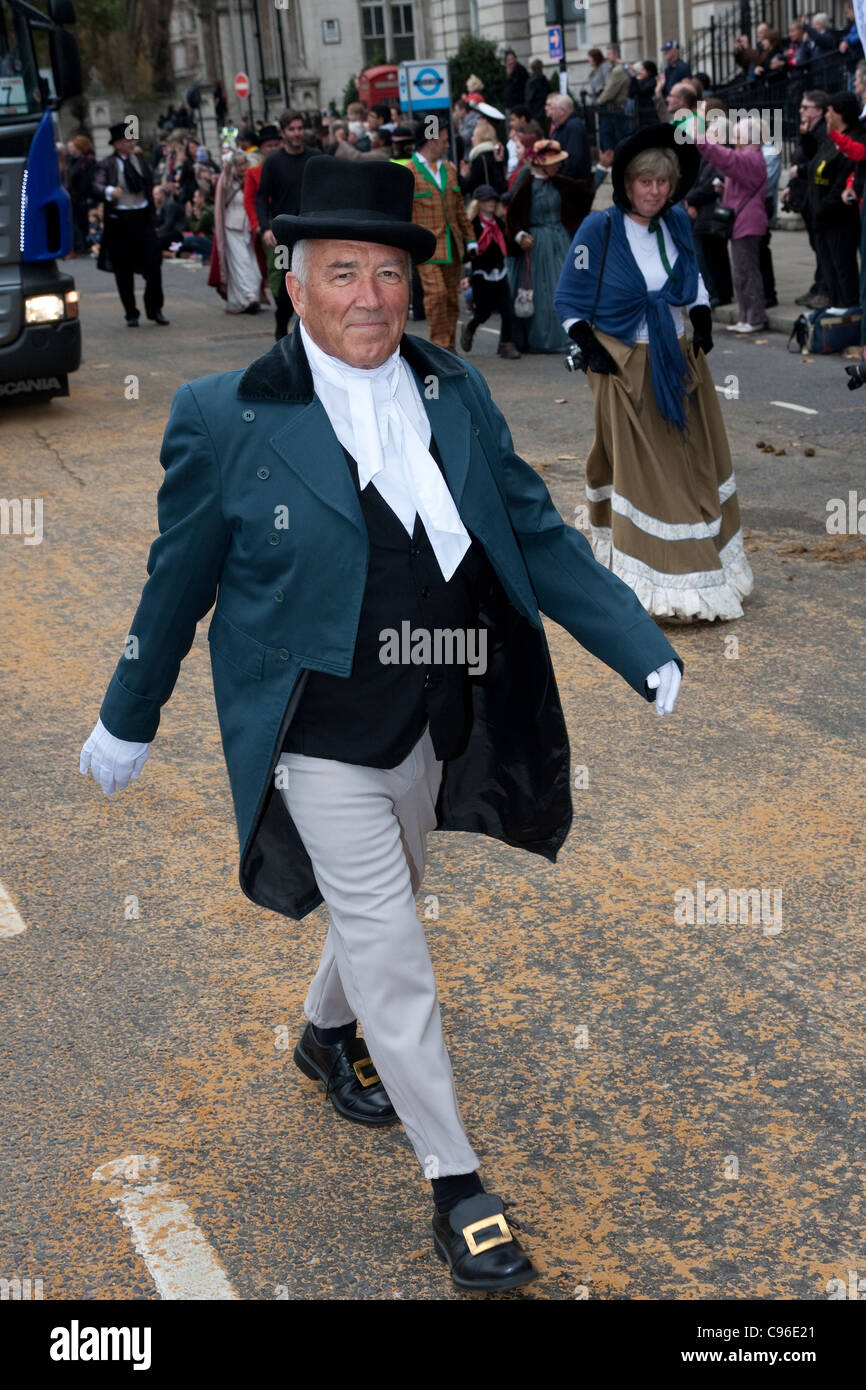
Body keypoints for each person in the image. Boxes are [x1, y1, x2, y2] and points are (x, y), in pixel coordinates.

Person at [79, 154, 683, 1295]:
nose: (369, 297)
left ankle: (318, 1035)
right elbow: (175, 586)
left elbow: (536, 535)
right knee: (395, 948)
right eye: (341, 272)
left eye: (388, 273)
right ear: (292, 285)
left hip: (432, 710)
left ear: (415, 284)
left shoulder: (454, 388)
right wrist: (128, 715)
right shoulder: (224, 415)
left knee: (380, 907)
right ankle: (456, 1183)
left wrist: (637, 643)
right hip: (316, 732)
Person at [554, 124, 754, 622]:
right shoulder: (598, 230)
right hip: (624, 368)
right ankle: (653, 586)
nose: (654, 191)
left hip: (680, 362)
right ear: (626, 183)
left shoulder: (677, 225)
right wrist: (589, 347)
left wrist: (702, 317)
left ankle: (700, 577)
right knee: (649, 477)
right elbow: (569, 298)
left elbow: (695, 281)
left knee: (693, 466)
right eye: (645, 181)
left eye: (663, 182)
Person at [506, 138, 593, 354]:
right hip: (537, 245)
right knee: (543, 291)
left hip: (561, 240)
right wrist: (520, 236)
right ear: (541, 163)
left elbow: (585, 193)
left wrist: (601, 169)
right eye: (555, 161)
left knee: (565, 287)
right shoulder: (525, 185)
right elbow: (513, 217)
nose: (559, 165)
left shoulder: (560, 183)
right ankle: (544, 339)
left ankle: (570, 335)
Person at [696, 114, 768, 334]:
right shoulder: (750, 158)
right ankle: (746, 316)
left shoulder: (751, 159)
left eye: (738, 135)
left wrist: (700, 140)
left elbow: (726, 159)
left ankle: (754, 317)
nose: (734, 139)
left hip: (747, 221)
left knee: (747, 272)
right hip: (744, 220)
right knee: (742, 272)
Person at [409, 117, 477, 350]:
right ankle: (440, 347)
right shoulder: (410, 172)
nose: (448, 144)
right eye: (445, 140)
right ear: (431, 139)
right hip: (427, 249)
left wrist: (470, 239)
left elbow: (459, 208)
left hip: (453, 246)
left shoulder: (449, 169)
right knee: (436, 296)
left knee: (450, 300)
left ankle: (449, 349)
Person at [92, 123, 168, 327]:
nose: (132, 143)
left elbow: (149, 184)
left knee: (154, 265)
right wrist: (109, 191)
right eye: (128, 140)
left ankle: (155, 309)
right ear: (117, 144)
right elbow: (96, 186)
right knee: (123, 269)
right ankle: (131, 313)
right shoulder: (107, 164)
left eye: (133, 140)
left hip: (142, 218)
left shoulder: (139, 161)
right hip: (120, 222)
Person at [256, 109, 319, 339]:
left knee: (312, 280)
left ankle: (309, 332)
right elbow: (261, 196)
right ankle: (281, 321)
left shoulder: (315, 158)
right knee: (286, 282)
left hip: (311, 231)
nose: (297, 133)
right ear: (283, 133)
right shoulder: (273, 162)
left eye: (300, 128)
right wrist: (265, 228)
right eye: (292, 129)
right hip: (284, 234)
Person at [807, 90, 865, 311]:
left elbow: (847, 172)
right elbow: (814, 166)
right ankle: (835, 304)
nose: (826, 115)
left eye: (829, 110)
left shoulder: (855, 137)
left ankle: (848, 309)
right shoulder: (829, 138)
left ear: (839, 113)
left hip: (839, 217)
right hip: (822, 217)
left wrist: (823, 207)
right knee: (828, 265)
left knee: (843, 265)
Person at [459, 184, 520, 359]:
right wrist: (470, 252)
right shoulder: (472, 226)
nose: (491, 203)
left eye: (493, 199)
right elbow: (465, 255)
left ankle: (506, 344)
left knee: (508, 311)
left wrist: (522, 243)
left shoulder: (499, 223)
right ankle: (470, 327)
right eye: (486, 200)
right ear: (479, 203)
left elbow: (508, 247)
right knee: (483, 313)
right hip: (481, 275)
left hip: (500, 273)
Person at [783, 90, 830, 306]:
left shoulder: (823, 132)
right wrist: (790, 187)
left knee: (822, 247)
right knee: (817, 245)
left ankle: (825, 288)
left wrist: (799, 171)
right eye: (801, 107)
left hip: (818, 198)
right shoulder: (808, 130)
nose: (801, 111)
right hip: (805, 197)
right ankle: (819, 286)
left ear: (819, 110)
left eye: (806, 107)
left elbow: (819, 162)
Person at [208, 149, 268, 313]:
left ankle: (249, 297)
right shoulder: (228, 180)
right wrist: (227, 170)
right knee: (240, 263)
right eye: (238, 164)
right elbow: (222, 194)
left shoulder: (251, 178)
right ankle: (249, 298)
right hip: (231, 227)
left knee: (253, 265)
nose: (242, 167)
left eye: (244, 163)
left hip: (249, 228)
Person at [685, 107, 733, 307]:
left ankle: (721, 294)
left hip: (713, 213)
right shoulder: (706, 157)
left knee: (717, 256)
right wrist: (689, 200)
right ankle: (713, 291)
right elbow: (695, 181)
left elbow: (713, 185)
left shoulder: (723, 156)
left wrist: (693, 199)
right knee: (707, 255)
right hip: (702, 213)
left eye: (712, 132)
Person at [545, 93, 592, 180]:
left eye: (552, 108)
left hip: (571, 183)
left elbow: (573, 159)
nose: (548, 110)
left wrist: (560, 176)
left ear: (561, 111)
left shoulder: (573, 127)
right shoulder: (564, 126)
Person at [458, 116, 507, 197]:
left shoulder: (479, 159)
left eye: (474, 136)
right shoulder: (497, 155)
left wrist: (462, 176)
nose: (472, 139)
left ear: (480, 138)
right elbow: (502, 185)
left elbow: (467, 188)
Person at [596, 43, 631, 149]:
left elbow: (611, 90)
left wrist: (599, 100)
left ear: (616, 54)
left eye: (609, 54)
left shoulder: (618, 70)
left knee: (613, 137)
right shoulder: (619, 68)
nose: (607, 57)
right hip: (620, 108)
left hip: (617, 108)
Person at [628, 60, 661, 129]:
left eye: (643, 70)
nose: (640, 72)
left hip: (650, 115)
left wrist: (634, 78)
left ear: (649, 72)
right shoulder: (641, 81)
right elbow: (631, 94)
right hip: (641, 115)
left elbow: (641, 91)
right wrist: (634, 79)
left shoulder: (653, 81)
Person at [525, 58, 551, 127]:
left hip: (535, 113)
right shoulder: (543, 80)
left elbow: (529, 99)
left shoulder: (531, 82)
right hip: (544, 111)